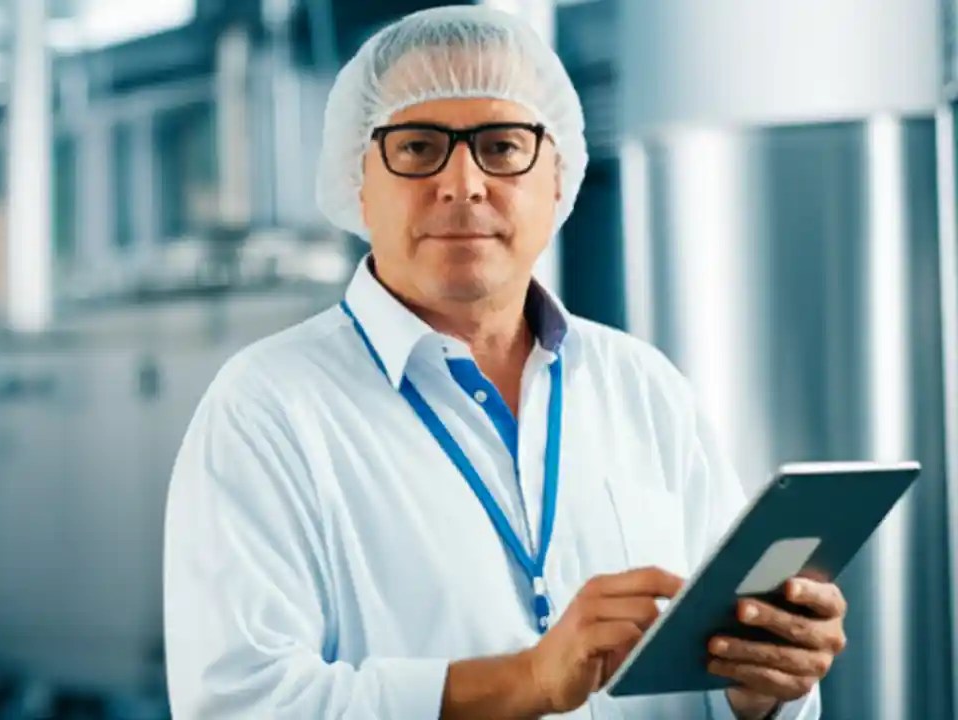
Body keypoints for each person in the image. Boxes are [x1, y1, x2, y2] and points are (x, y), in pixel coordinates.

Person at [164, 5, 846, 718]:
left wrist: (764, 686)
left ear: (557, 180)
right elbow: (241, 704)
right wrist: (526, 680)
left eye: (501, 145)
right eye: (419, 147)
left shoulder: (642, 388)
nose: (463, 183)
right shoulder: (269, 408)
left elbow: (716, 678)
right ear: (357, 181)